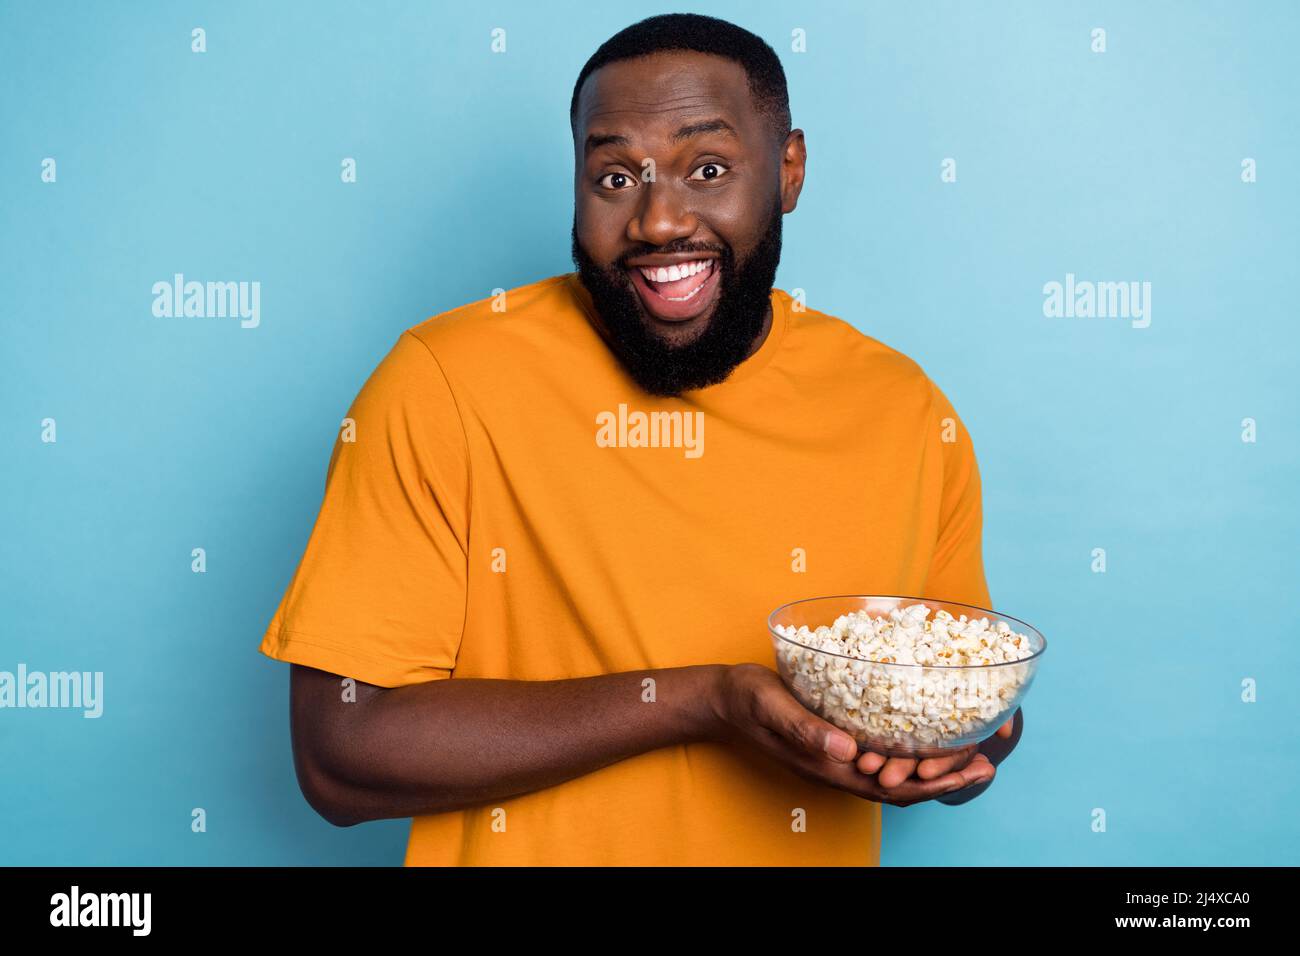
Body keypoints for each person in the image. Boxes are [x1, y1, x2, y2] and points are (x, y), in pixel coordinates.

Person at [259, 12, 1023, 866]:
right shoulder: (445, 384)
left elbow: (974, 696)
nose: (659, 221)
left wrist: (962, 750)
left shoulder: (906, 412)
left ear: (789, 170)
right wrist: (704, 702)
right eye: (615, 176)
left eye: (707, 168)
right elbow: (339, 754)